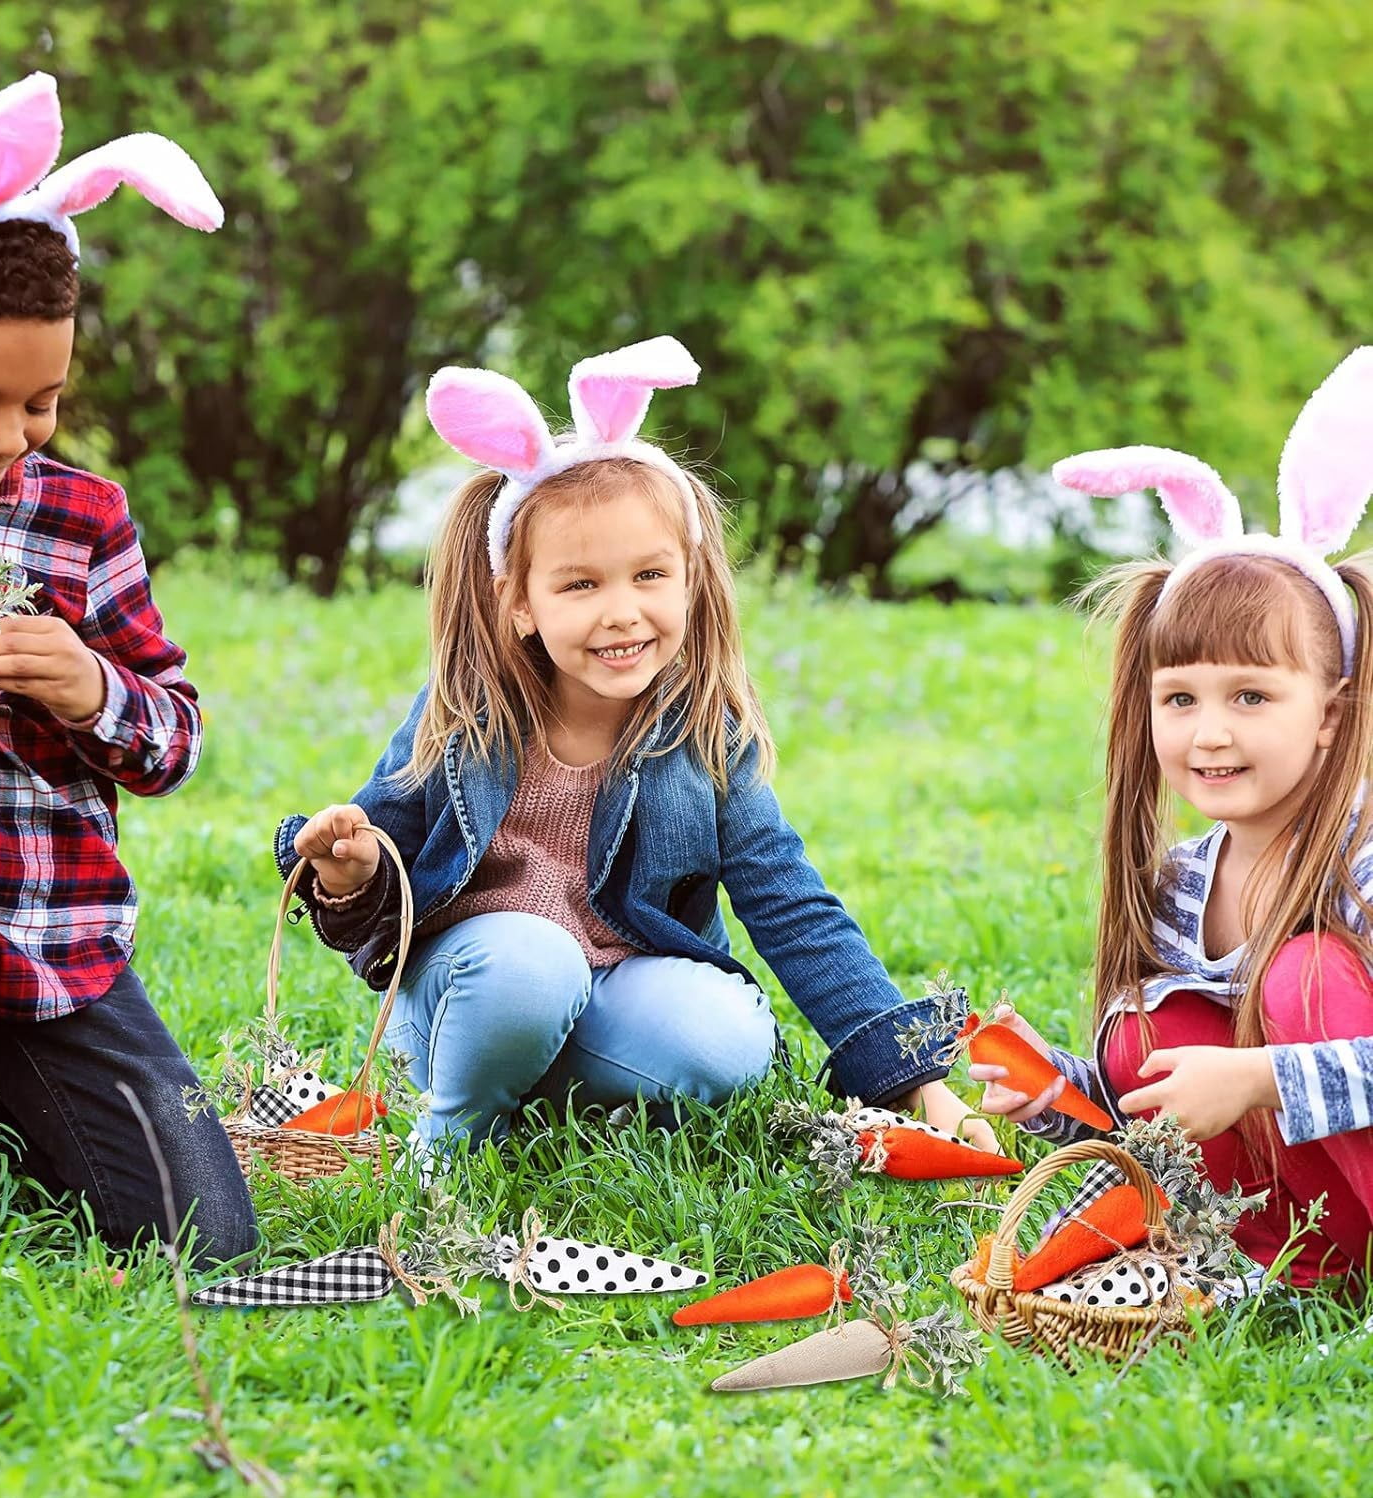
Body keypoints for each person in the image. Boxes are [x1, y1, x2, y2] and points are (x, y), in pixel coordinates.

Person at [277, 335, 990, 1153]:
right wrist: (348, 869)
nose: (622, 611)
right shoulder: (463, 718)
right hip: (477, 986)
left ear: (688, 578)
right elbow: (378, 867)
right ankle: (453, 1141)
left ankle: (538, 1094)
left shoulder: (700, 732)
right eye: (580, 585)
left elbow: (791, 904)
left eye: (649, 576)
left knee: (730, 1041)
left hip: (614, 989)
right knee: (530, 966)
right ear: (519, 604)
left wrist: (919, 1083)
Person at [0, 74, 255, 1266]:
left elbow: (176, 735)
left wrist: (94, 688)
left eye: (39, 401)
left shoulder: (81, 518)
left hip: (41, 938)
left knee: (203, 1233)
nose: (4, 438)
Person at [972, 349, 1373, 1285]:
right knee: (1144, 1033)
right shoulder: (1181, 886)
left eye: (1251, 697)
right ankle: (1252, 1261)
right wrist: (1055, 1090)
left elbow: (1254, 1083)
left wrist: (1263, 1077)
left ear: (1332, 714)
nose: (1209, 733)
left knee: (1305, 976)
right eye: (1181, 698)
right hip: (1271, 1227)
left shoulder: (1360, 858)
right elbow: (1151, 1110)